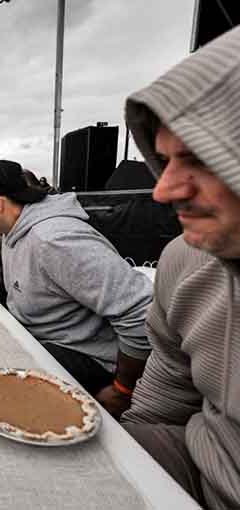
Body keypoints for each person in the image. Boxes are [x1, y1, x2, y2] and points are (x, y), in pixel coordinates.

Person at [119, 26, 240, 510]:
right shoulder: (184, 259)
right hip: (195, 461)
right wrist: (117, 464)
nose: (162, 191)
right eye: (165, 160)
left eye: (198, 158)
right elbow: (168, 386)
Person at [0, 159, 153, 416]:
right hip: (41, 340)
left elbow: (140, 312)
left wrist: (123, 390)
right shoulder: (12, 230)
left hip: (84, 356)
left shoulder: (55, 240)